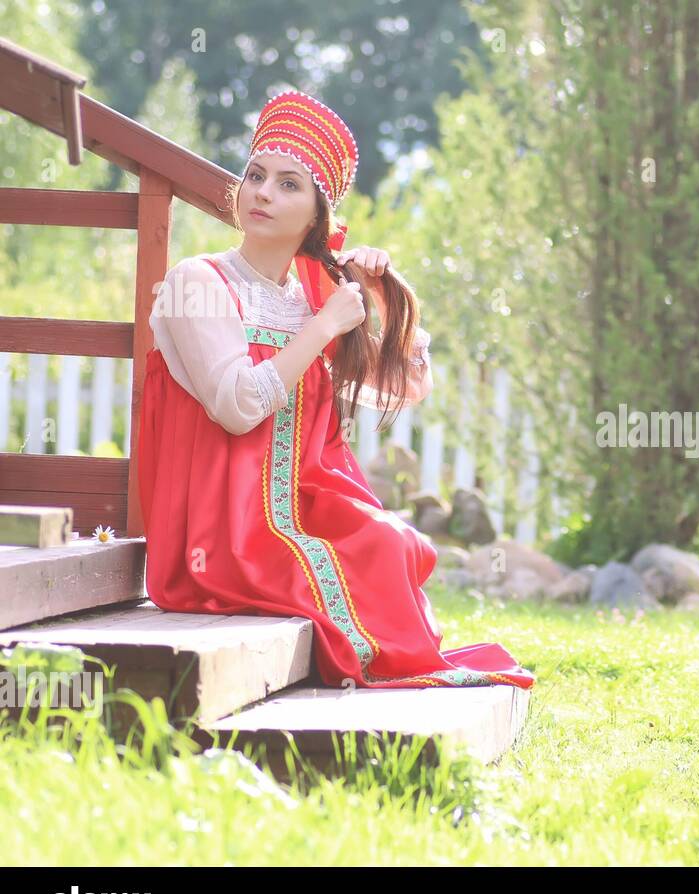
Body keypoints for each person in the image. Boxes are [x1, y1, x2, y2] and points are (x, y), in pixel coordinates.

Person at [137, 90, 535, 691]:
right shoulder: (199, 282)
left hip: (294, 506)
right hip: (220, 532)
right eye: (256, 175)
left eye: (288, 184)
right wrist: (323, 327)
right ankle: (377, 660)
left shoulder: (313, 292)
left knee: (391, 540)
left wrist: (371, 297)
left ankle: (400, 659)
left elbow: (404, 386)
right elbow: (237, 407)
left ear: (316, 216)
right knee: (368, 548)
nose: (264, 193)